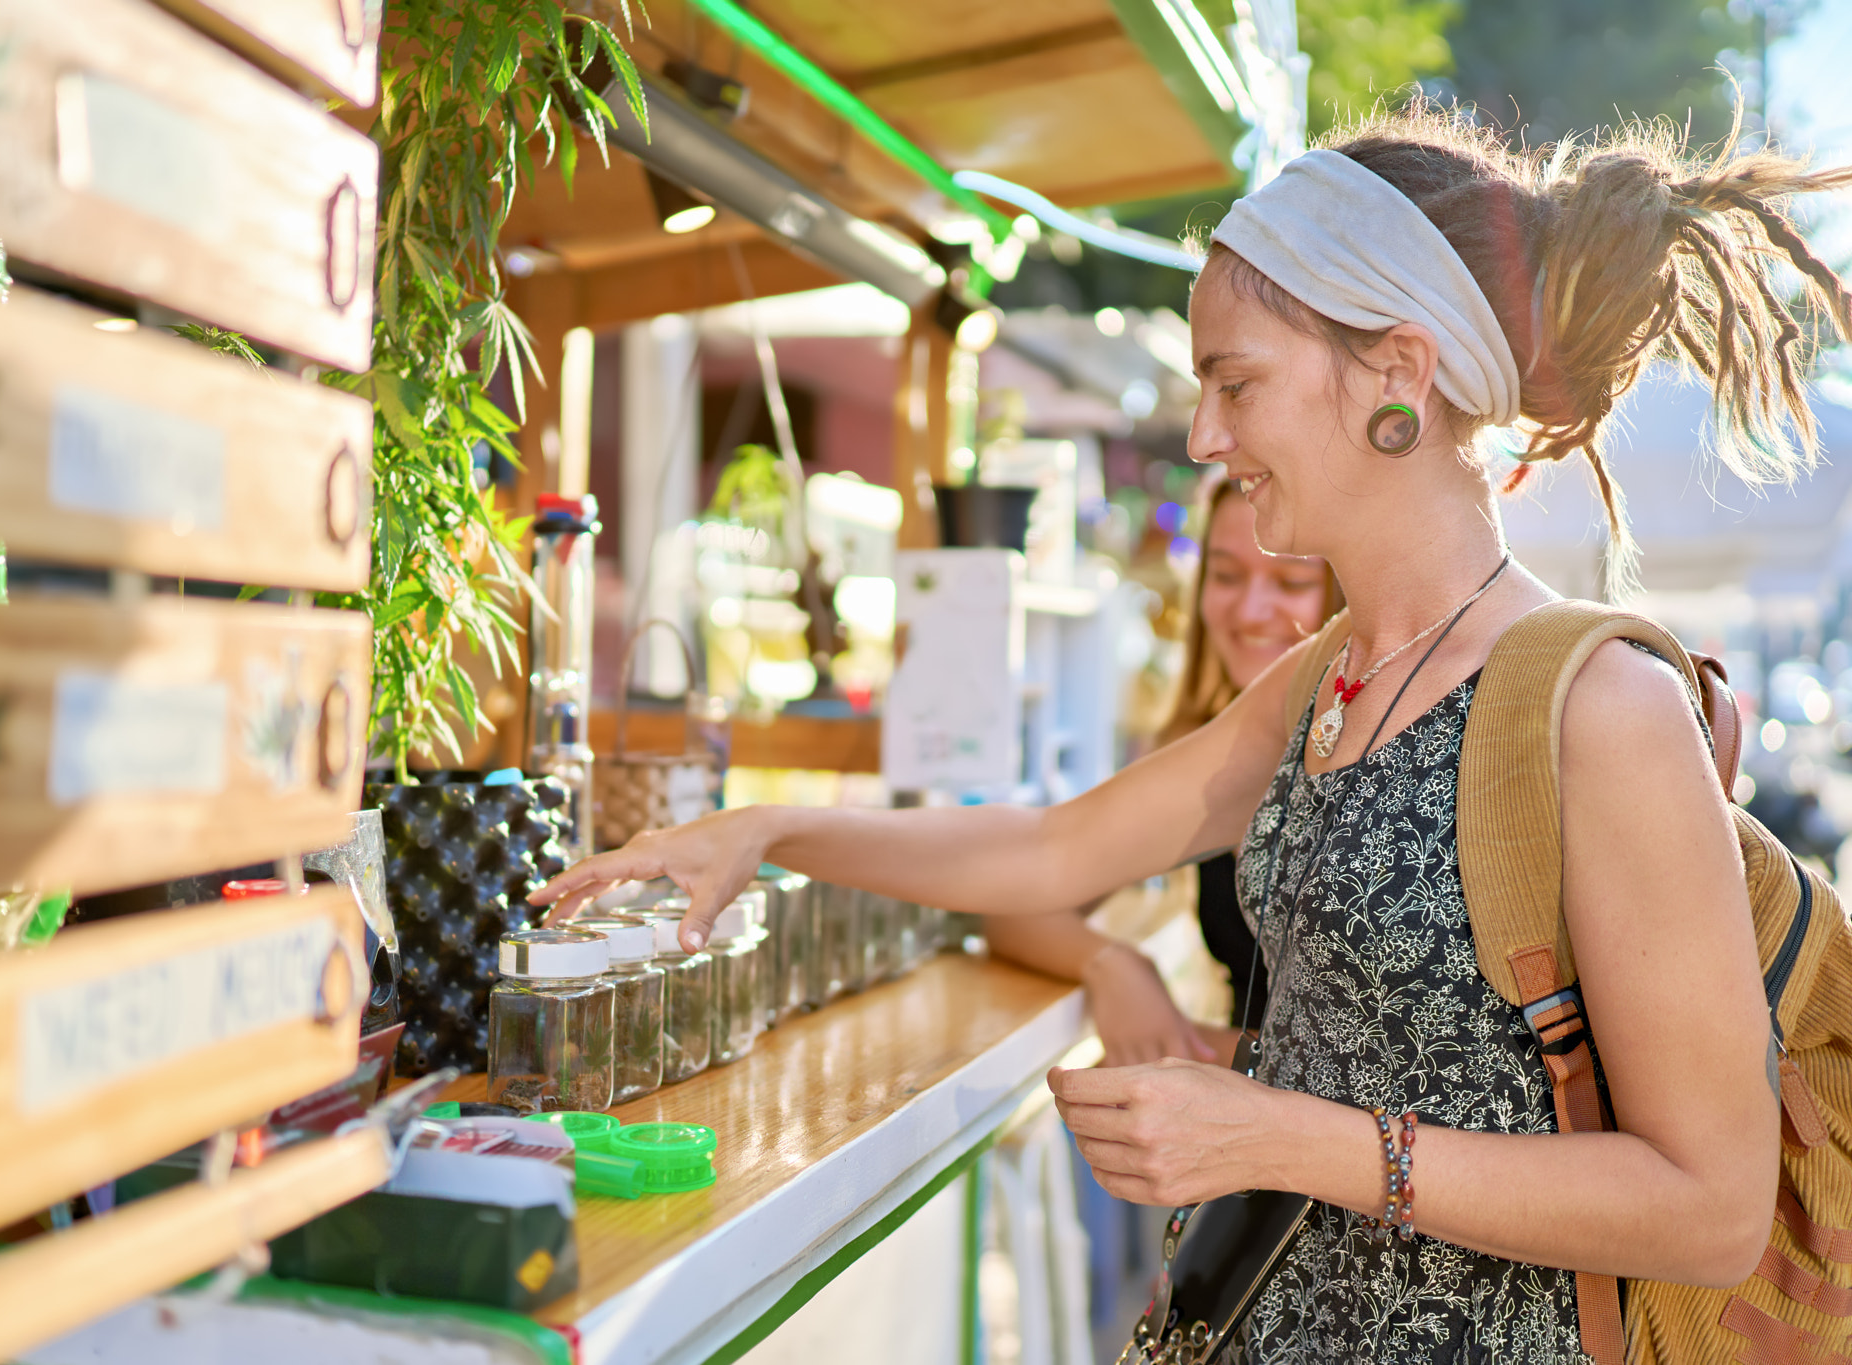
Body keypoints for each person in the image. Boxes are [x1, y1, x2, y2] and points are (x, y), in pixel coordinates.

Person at [536, 107, 1852, 1360]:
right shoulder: (1325, 679)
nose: (1207, 435)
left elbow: (1709, 1206)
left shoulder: (1602, 710)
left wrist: (1282, 1137)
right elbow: (1057, 853)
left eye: (1237, 382)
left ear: (1397, 375)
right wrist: (770, 830)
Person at [981, 475, 1341, 1067]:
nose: (1252, 609)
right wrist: (1112, 964)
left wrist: (1189, 1051)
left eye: (1291, 581)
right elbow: (1017, 903)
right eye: (1226, 575)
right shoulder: (1201, 747)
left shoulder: (1393, 755)